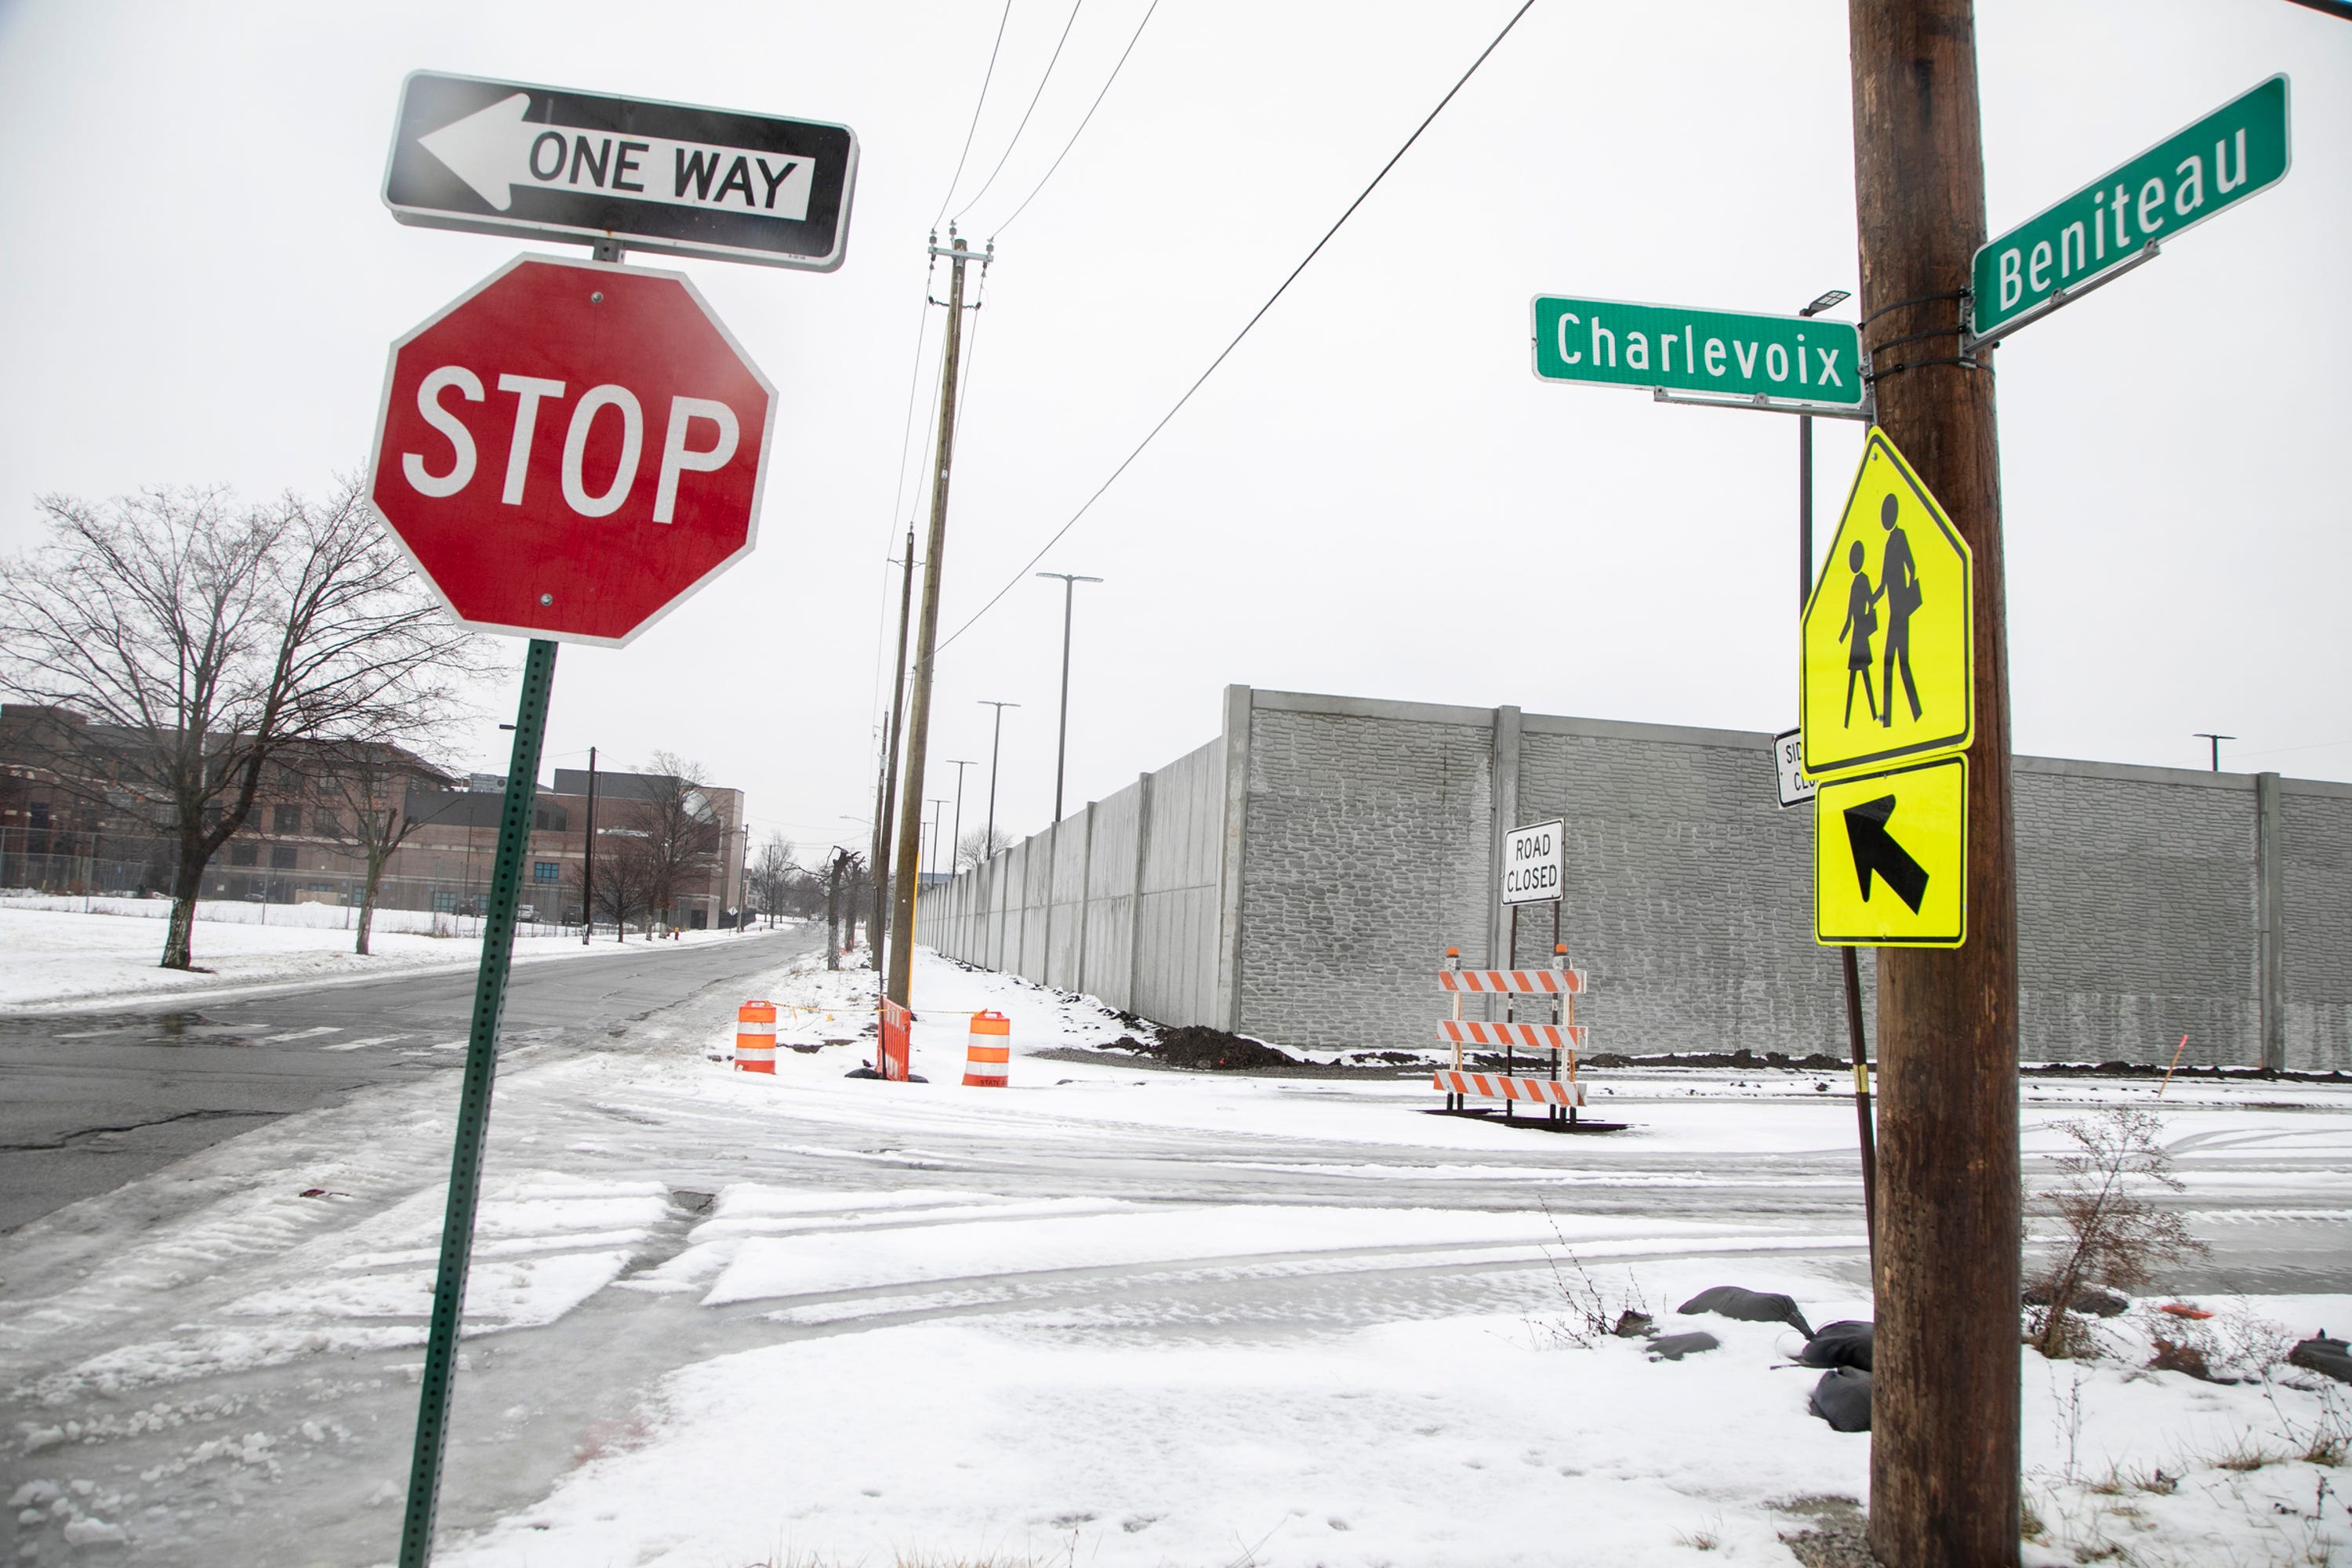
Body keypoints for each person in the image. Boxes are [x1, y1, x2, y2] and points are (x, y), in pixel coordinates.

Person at [1876, 493, 1923, 728]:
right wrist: (1873, 598)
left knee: (1897, 661)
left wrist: (1908, 595)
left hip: (1900, 611)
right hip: (1893, 611)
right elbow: (1885, 580)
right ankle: (1898, 716)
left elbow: (1912, 566)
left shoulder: (1900, 537)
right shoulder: (1888, 543)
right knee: (1894, 662)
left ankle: (1913, 714)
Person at [1838, 539, 1878, 728]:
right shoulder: (1855, 583)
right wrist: (1841, 637)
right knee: (1855, 678)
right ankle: (1847, 721)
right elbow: (1849, 616)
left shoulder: (1863, 580)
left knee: (1864, 676)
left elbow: (1870, 601)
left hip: (1861, 634)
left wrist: (1882, 590)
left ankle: (1873, 715)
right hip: (1856, 635)